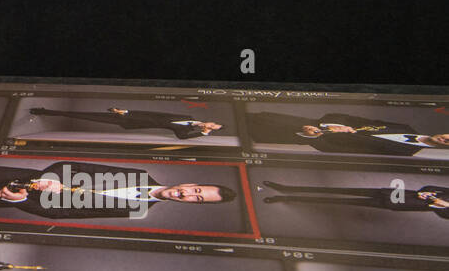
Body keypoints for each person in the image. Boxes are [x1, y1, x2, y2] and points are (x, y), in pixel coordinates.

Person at [0, 162, 235, 218]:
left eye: (197, 199)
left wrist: (20, 200)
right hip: (11, 175)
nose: (188, 195)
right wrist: (49, 179)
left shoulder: (138, 211)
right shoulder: (140, 175)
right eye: (196, 190)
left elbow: (63, 214)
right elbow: (75, 166)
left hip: (8, 197)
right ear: (190, 184)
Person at [246, 111, 449, 156]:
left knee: (251, 134)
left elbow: (354, 153)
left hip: (311, 139)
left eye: (448, 143)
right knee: (254, 116)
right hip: (305, 122)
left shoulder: (407, 153)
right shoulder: (405, 128)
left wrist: (318, 136)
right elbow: (359, 120)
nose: (445, 138)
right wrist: (331, 124)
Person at [261, 179, 449, 215]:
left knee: (337, 201)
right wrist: (428, 192)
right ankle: (286, 187)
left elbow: (443, 214)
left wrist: (443, 204)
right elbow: (431, 187)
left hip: (394, 204)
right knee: (335, 191)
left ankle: (285, 198)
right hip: (390, 193)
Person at [30, 106, 224, 140]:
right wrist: (127, 111)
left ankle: (46, 112)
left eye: (213, 129)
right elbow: (154, 113)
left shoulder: (188, 129)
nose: (210, 126)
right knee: (83, 113)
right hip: (127, 116)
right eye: (213, 124)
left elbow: (182, 137)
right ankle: (43, 111)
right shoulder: (188, 117)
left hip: (131, 124)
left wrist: (203, 134)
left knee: (84, 117)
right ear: (211, 121)